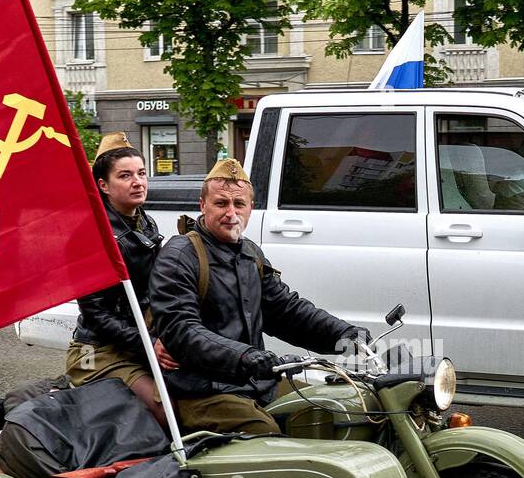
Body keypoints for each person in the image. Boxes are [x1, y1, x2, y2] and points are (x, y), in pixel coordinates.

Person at [148, 158, 370, 435]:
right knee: (269, 437)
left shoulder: (250, 253)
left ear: (250, 208)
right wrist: (246, 357)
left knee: (332, 411)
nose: (231, 213)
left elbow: (284, 310)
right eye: (221, 203)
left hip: (256, 384)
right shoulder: (181, 254)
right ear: (202, 205)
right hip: (202, 392)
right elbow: (181, 330)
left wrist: (344, 334)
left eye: (239, 204)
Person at [65, 133, 176, 429]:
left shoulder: (144, 221)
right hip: (99, 351)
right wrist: (149, 344)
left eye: (141, 173)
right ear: (104, 185)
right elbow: (97, 314)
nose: (137, 182)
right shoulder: (92, 235)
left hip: (139, 340)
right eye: (125, 176)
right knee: (163, 410)